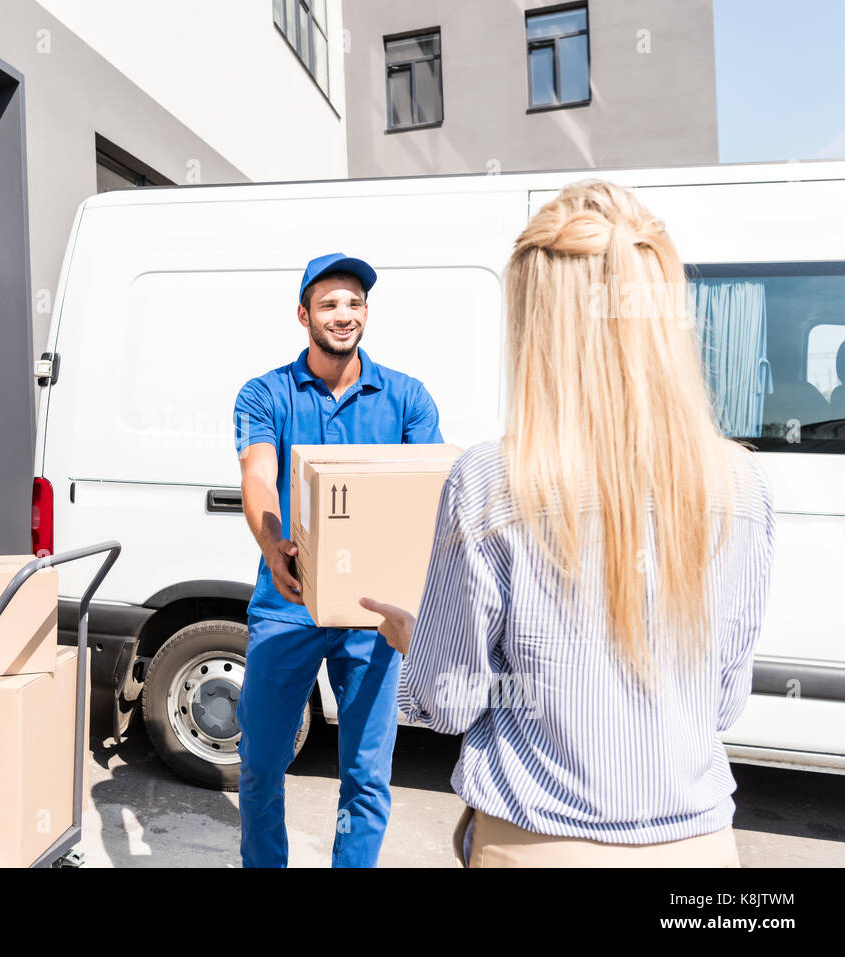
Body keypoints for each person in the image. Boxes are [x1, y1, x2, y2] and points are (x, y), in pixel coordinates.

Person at [360, 180, 776, 867]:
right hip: (702, 851)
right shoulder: (740, 482)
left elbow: (450, 699)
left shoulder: (494, 478)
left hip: (544, 844)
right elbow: (724, 702)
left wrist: (416, 637)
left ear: (537, 321)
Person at [233, 252, 443, 868]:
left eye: (354, 303)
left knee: (367, 779)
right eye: (328, 303)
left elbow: (423, 493)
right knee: (260, 768)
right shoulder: (266, 393)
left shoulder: (408, 399)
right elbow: (258, 476)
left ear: (367, 312)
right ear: (304, 315)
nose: (343, 315)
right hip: (288, 602)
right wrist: (274, 548)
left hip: (372, 614)